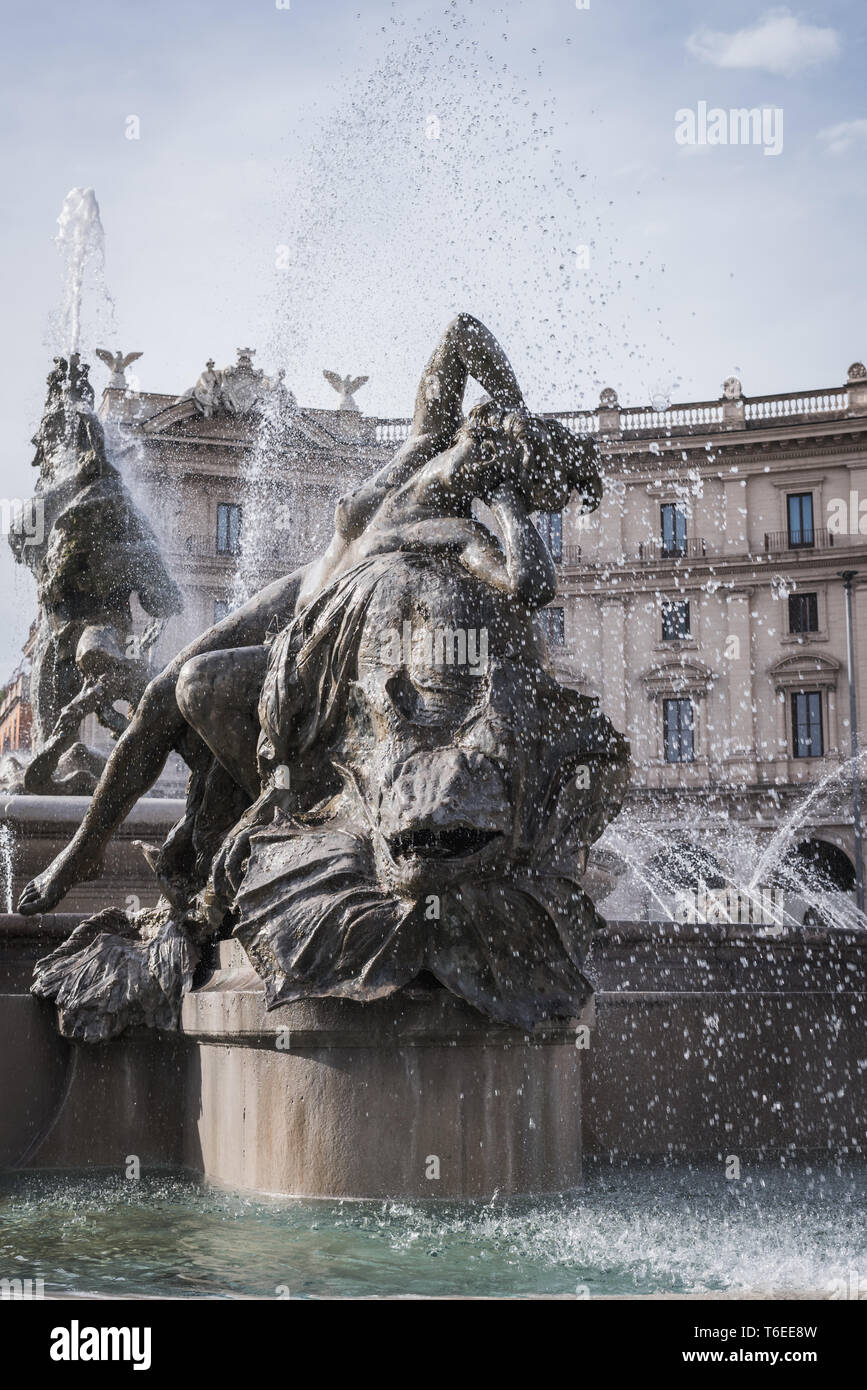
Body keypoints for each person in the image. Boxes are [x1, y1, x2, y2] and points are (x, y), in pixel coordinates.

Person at [18, 313, 600, 915]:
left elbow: (529, 583)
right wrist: (515, 409)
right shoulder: (426, 443)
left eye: (496, 453)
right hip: (304, 585)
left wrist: (509, 500)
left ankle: (287, 804)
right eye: (481, 435)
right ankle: (86, 847)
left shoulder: (456, 531)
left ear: (507, 472)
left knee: (189, 688)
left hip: (324, 623)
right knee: (160, 693)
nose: (478, 443)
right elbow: (462, 333)